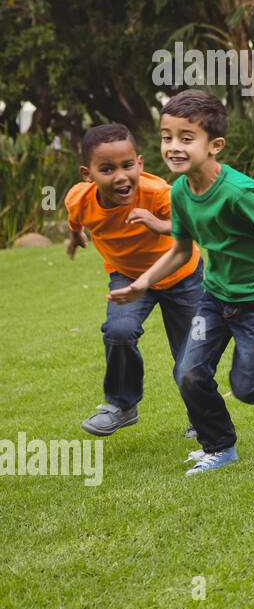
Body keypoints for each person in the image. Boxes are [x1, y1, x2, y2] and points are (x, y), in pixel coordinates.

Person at [108, 89, 254, 475]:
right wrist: (144, 281)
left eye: (187, 138)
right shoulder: (181, 191)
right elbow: (182, 251)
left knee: (250, 388)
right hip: (215, 296)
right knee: (188, 371)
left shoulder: (239, 192)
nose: (174, 147)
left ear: (214, 145)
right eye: (168, 137)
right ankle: (218, 446)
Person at [66, 123, 204, 437]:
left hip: (180, 274)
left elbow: (193, 226)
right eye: (107, 169)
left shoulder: (158, 193)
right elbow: (74, 219)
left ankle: (202, 415)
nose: (120, 176)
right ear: (88, 174)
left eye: (128, 166)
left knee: (191, 350)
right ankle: (121, 405)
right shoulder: (79, 198)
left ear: (140, 163)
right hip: (127, 276)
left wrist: (157, 223)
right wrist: (75, 236)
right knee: (118, 330)